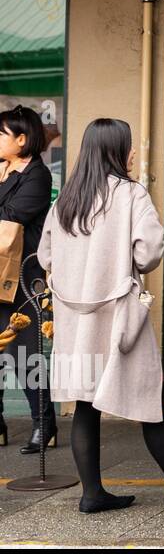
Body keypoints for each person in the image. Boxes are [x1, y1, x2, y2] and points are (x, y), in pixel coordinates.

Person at [38, 118, 164, 513]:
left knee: (85, 406)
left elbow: (45, 257)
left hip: (76, 320)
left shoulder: (65, 201)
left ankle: (92, 493)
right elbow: (148, 253)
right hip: (119, 317)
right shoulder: (131, 195)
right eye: (128, 145)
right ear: (115, 150)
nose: (132, 152)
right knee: (148, 401)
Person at [0, 106, 56, 453]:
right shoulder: (3, 170)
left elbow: (14, 215)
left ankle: (43, 422)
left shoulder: (37, 175)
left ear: (22, 139)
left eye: (1, 135)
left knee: (24, 354)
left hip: (22, 277)